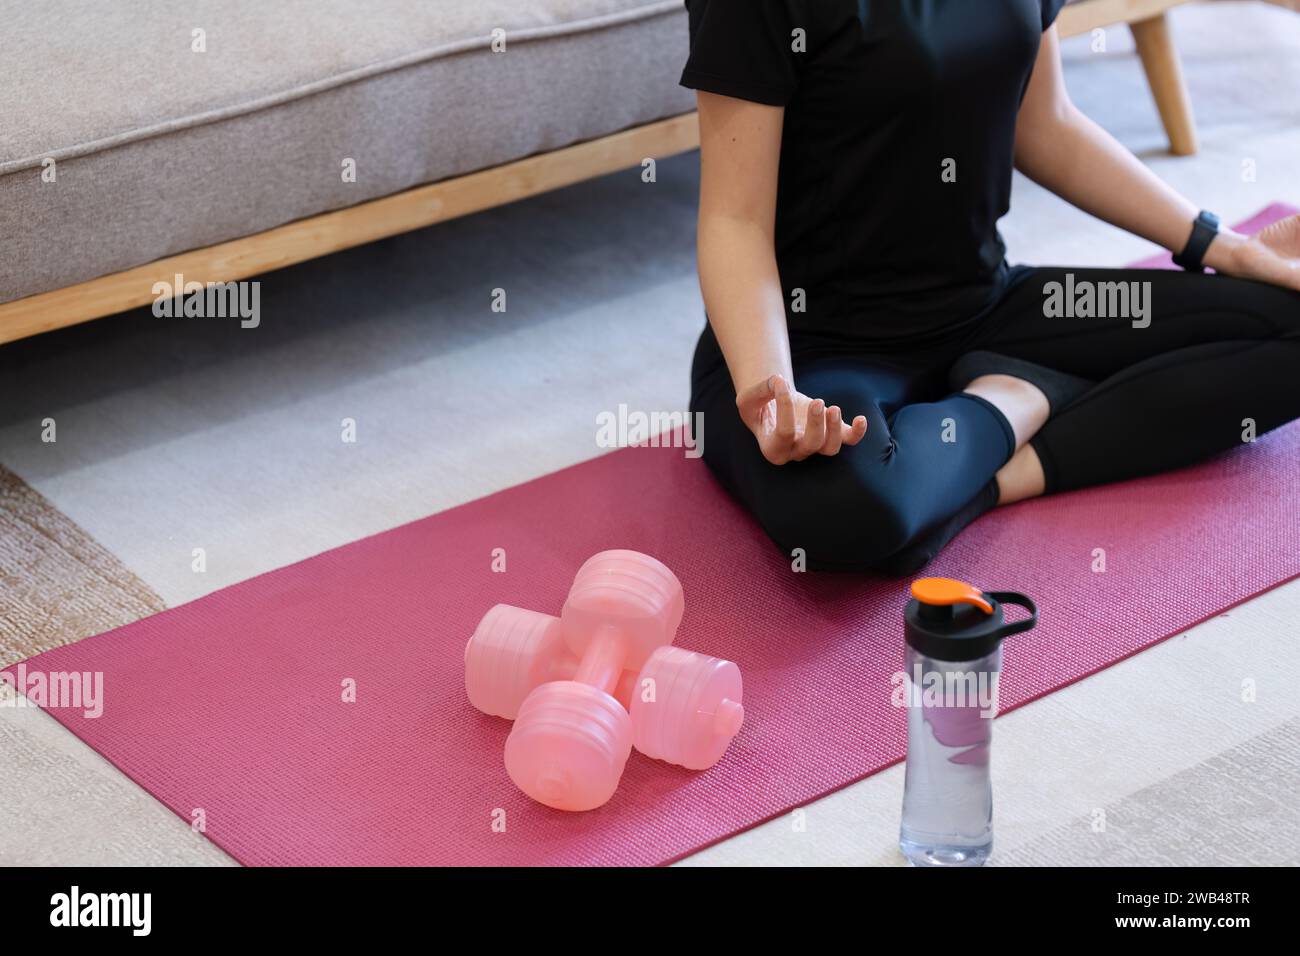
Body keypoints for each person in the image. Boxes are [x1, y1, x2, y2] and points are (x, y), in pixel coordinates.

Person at [683, 0, 1300, 574]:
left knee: (1291, 321)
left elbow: (1048, 125)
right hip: (812, 348)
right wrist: (771, 390)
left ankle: (985, 468)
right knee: (850, 511)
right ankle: (1019, 401)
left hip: (986, 304)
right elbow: (735, 222)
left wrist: (1224, 246)